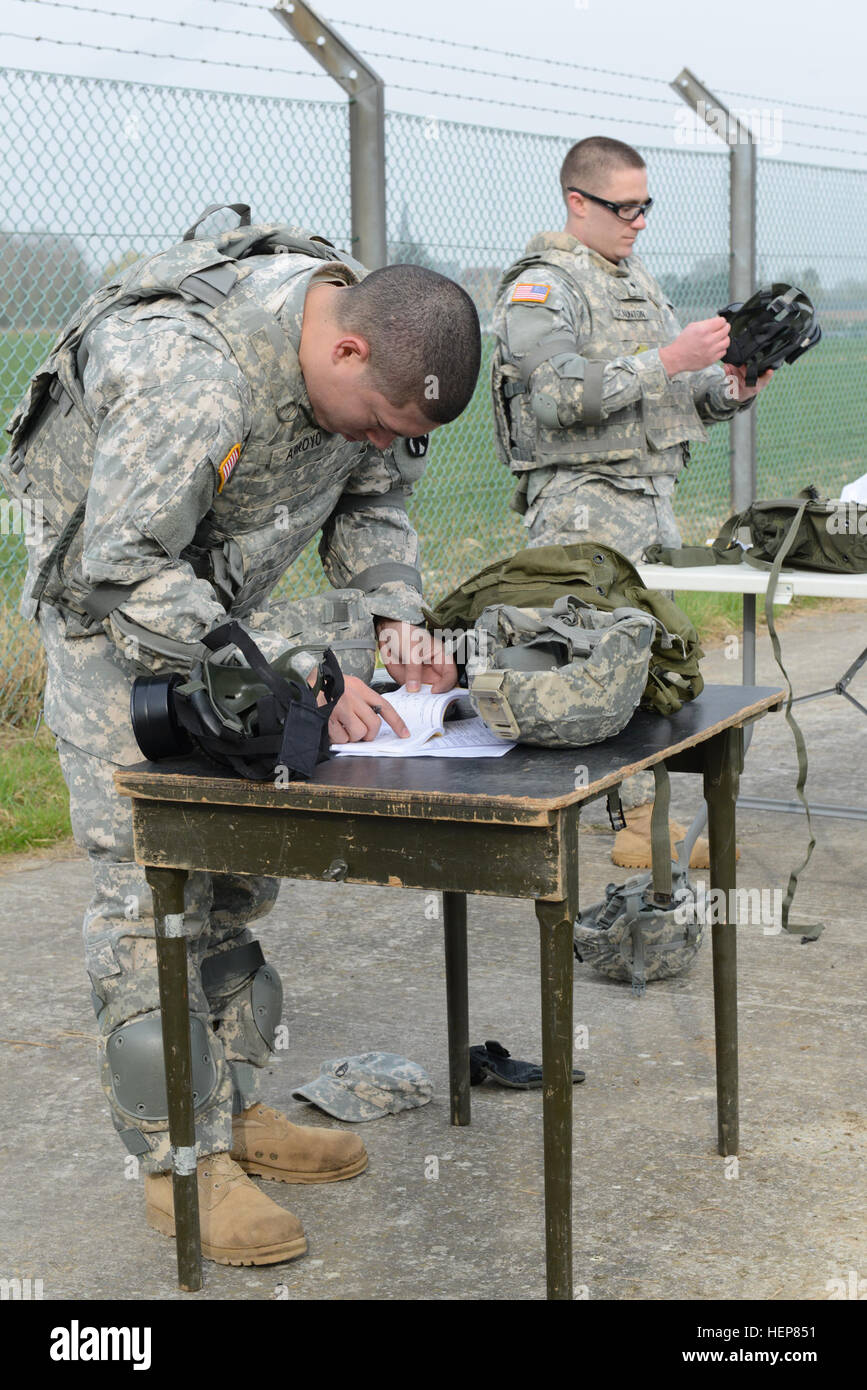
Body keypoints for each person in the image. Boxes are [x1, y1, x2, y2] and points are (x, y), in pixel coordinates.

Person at [5, 214, 481, 1266]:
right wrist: (296, 660)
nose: (375, 440)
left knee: (235, 874)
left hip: (226, 624)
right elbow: (119, 571)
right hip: (113, 637)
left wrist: (397, 612)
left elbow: (376, 498)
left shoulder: (370, 374)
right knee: (151, 895)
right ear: (346, 347)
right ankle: (182, 1162)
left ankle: (236, 1108)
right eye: (374, 418)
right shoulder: (191, 374)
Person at [491, 136, 773, 866]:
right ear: (576, 203)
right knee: (586, 662)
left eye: (645, 205)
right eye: (624, 206)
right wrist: (669, 356)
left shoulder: (633, 278)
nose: (638, 220)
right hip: (581, 507)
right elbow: (554, 394)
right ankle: (608, 823)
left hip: (646, 502)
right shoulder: (543, 286)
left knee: (648, 661)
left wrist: (726, 389)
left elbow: (661, 395)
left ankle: (644, 824)